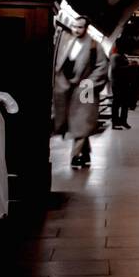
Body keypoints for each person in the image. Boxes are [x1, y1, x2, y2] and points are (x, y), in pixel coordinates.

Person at [52, 16, 108, 168]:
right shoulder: (66, 41)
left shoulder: (95, 45)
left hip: (86, 87)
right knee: (78, 121)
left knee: (83, 119)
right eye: (75, 26)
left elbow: (102, 67)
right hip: (67, 88)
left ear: (86, 28)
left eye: (80, 27)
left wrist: (89, 83)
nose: (76, 30)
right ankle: (86, 153)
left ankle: (75, 156)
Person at [108, 49, 133, 129]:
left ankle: (123, 121)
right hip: (118, 83)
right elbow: (116, 69)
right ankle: (115, 122)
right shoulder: (116, 56)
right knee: (117, 103)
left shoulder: (122, 56)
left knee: (124, 104)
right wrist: (130, 66)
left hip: (124, 83)